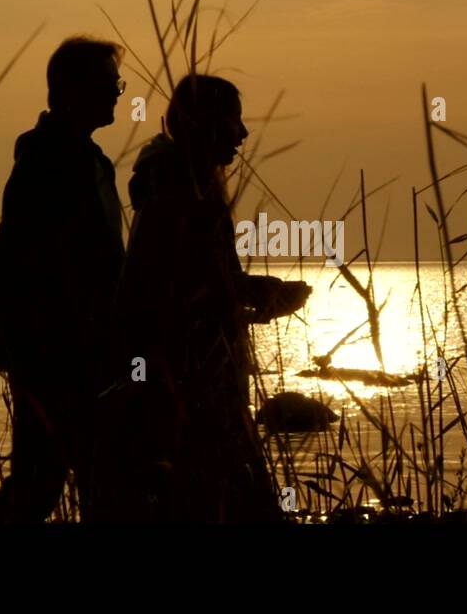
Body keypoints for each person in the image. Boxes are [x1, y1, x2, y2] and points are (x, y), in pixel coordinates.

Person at [92, 74, 310, 523]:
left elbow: (199, 283)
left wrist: (260, 297)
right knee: (235, 494)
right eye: (234, 121)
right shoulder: (183, 189)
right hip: (192, 376)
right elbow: (187, 290)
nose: (243, 135)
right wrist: (263, 293)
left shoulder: (179, 182)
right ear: (206, 124)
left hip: (190, 370)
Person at [0, 36, 126, 523]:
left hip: (93, 347)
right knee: (43, 477)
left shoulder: (93, 161)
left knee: (86, 473)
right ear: (73, 88)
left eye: (118, 84)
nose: (117, 94)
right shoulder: (46, 160)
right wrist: (10, 338)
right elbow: (11, 255)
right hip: (55, 348)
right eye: (109, 84)